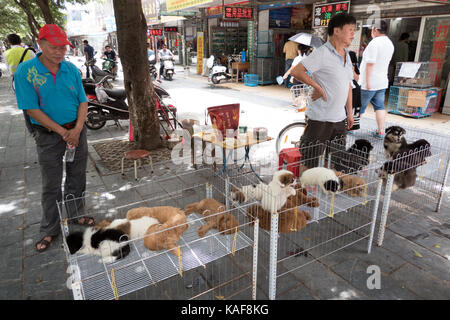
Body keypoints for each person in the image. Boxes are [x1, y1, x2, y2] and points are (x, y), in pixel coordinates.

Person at [14, 24, 94, 253]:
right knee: (51, 183)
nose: (60, 52)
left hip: (76, 131)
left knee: (77, 176)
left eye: (63, 47)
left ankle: (75, 214)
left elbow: (82, 100)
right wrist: (63, 132)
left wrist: (78, 128)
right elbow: (30, 109)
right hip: (49, 136)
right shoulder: (26, 72)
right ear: (40, 44)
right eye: (54, 47)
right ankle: (49, 228)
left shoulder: (70, 69)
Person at [290, 13, 356, 168]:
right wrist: (318, 87)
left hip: (339, 119)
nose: (353, 33)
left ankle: (328, 191)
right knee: (310, 161)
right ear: (337, 31)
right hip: (320, 119)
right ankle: (304, 192)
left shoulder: (347, 55)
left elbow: (347, 85)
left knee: (336, 161)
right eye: (350, 29)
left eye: (354, 30)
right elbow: (296, 71)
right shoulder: (322, 53)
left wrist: (350, 113)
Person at [358, 20, 394, 139]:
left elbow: (370, 64)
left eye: (372, 29)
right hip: (382, 81)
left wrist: (367, 82)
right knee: (380, 107)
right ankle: (381, 131)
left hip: (370, 82)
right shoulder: (389, 43)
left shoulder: (374, 43)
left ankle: (352, 128)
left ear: (375, 30)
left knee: (359, 106)